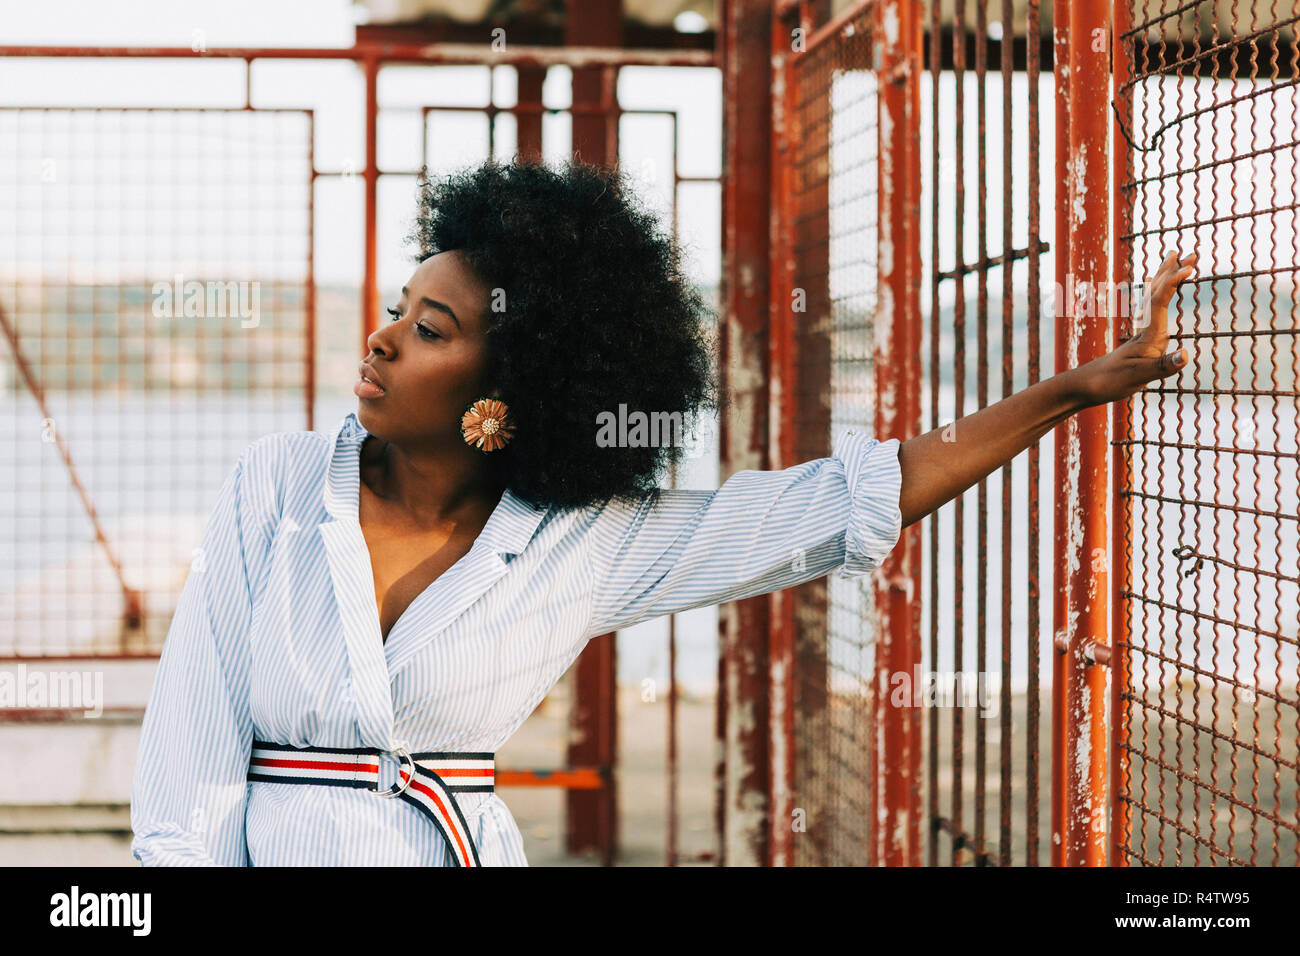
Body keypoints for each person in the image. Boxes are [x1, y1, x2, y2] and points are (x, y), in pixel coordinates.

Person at [129, 157, 1196, 866]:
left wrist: (1067, 392)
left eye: (430, 327)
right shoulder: (274, 486)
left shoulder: (582, 544)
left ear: (510, 386)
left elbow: (836, 502)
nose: (383, 337)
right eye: (399, 310)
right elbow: (188, 755)